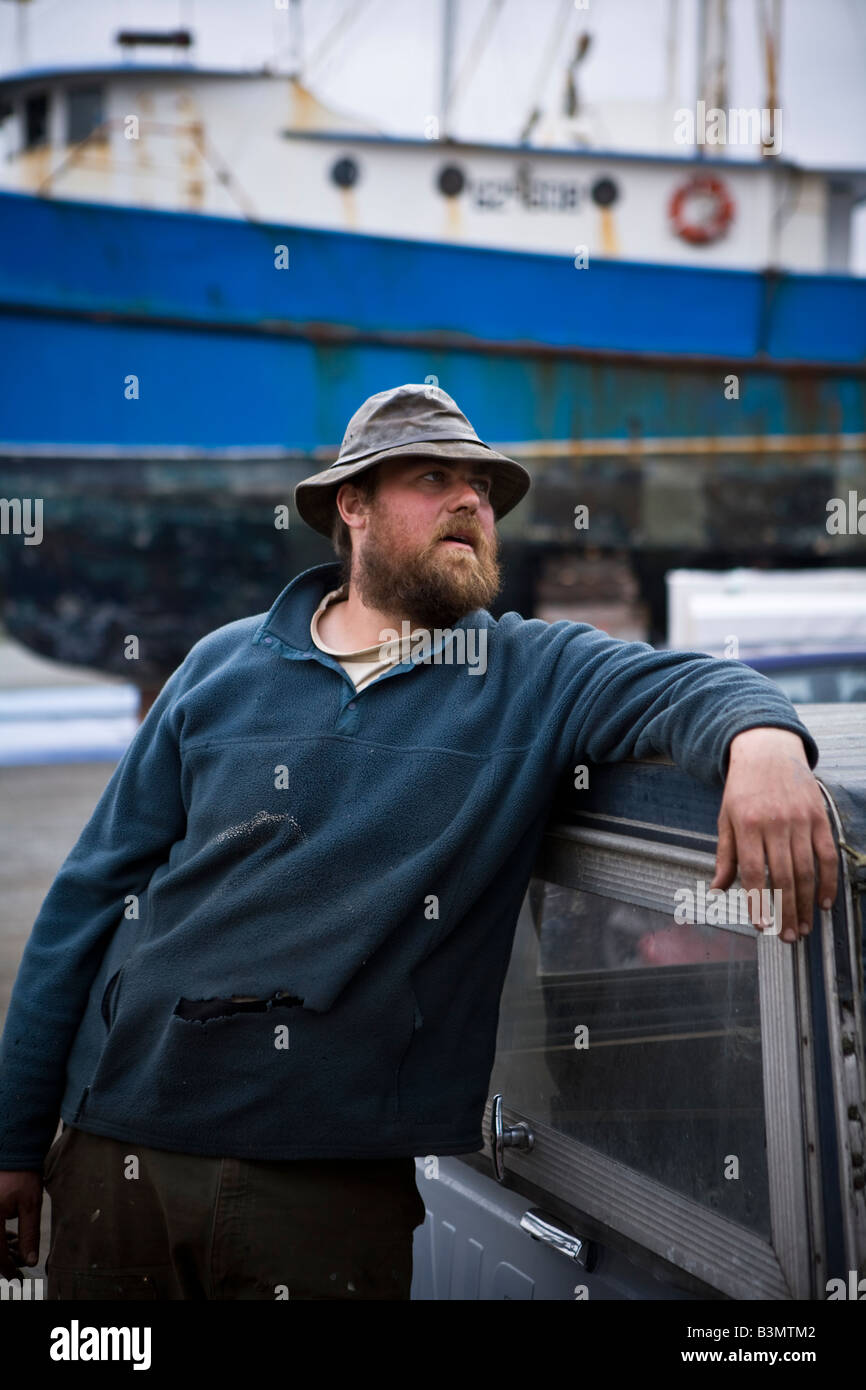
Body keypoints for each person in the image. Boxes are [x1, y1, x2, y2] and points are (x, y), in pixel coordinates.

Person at [0, 383, 838, 1300]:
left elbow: (693, 686)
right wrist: (14, 1139)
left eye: (481, 488)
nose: (471, 502)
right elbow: (87, 896)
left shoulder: (531, 674)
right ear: (351, 507)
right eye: (434, 478)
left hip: (323, 1187)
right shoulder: (222, 664)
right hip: (117, 1157)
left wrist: (764, 744)